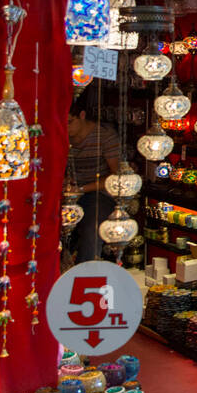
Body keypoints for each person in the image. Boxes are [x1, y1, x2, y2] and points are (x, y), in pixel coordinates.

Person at [66, 85, 124, 263]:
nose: (66, 128)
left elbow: (116, 176)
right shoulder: (61, 136)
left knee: (93, 228)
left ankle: (86, 274)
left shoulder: (104, 136)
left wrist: (82, 188)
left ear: (82, 116)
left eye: (69, 122)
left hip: (96, 193)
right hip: (68, 193)